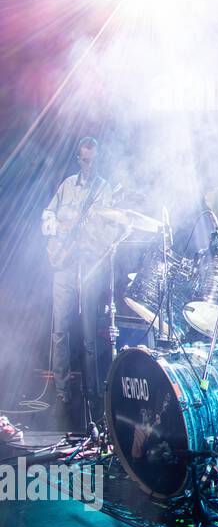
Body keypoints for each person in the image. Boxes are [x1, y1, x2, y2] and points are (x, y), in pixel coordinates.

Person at [42, 137, 112, 431]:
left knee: (89, 338)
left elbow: (106, 231)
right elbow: (46, 216)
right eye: (84, 160)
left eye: (93, 160)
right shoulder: (67, 185)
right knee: (60, 330)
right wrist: (57, 234)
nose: (88, 166)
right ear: (78, 158)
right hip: (64, 267)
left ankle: (94, 394)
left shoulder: (104, 190)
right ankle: (62, 389)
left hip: (88, 267)